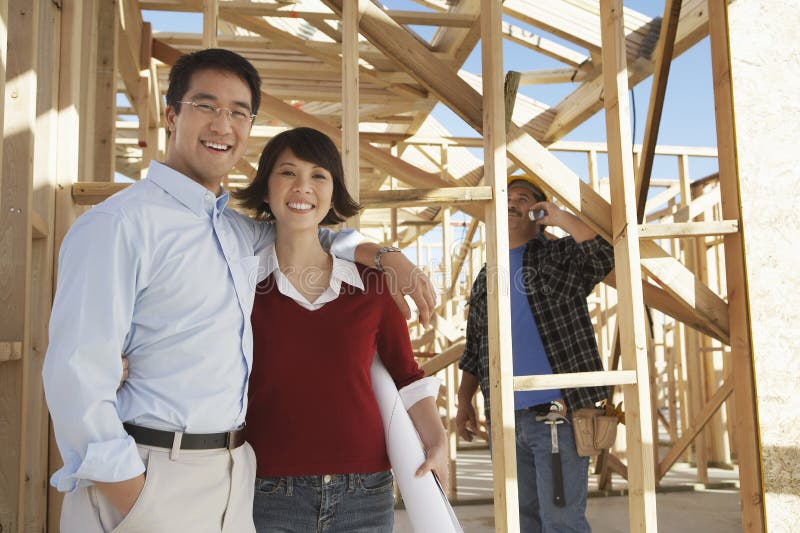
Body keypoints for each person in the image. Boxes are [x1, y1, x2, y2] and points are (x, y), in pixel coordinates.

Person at [42, 48, 434, 533]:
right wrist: (134, 496)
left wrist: (386, 255)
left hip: (231, 479)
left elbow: (312, 234)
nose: (222, 124)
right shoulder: (118, 224)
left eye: (238, 112)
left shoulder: (236, 233)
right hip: (147, 475)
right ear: (171, 115)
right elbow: (75, 377)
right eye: (206, 106)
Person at [233, 127, 448, 533]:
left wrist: (437, 439)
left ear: (333, 194)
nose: (303, 187)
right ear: (265, 189)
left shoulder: (372, 284)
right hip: (268, 492)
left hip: (364, 492)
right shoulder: (242, 285)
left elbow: (407, 375)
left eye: (319, 176)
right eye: (287, 173)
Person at [455, 176, 615, 532]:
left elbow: (605, 253)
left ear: (537, 211)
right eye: (506, 197)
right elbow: (475, 345)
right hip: (505, 417)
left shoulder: (558, 255)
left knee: (561, 522)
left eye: (523, 198)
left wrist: (560, 218)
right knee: (520, 521)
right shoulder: (487, 275)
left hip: (557, 415)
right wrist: (464, 399)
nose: (512, 203)